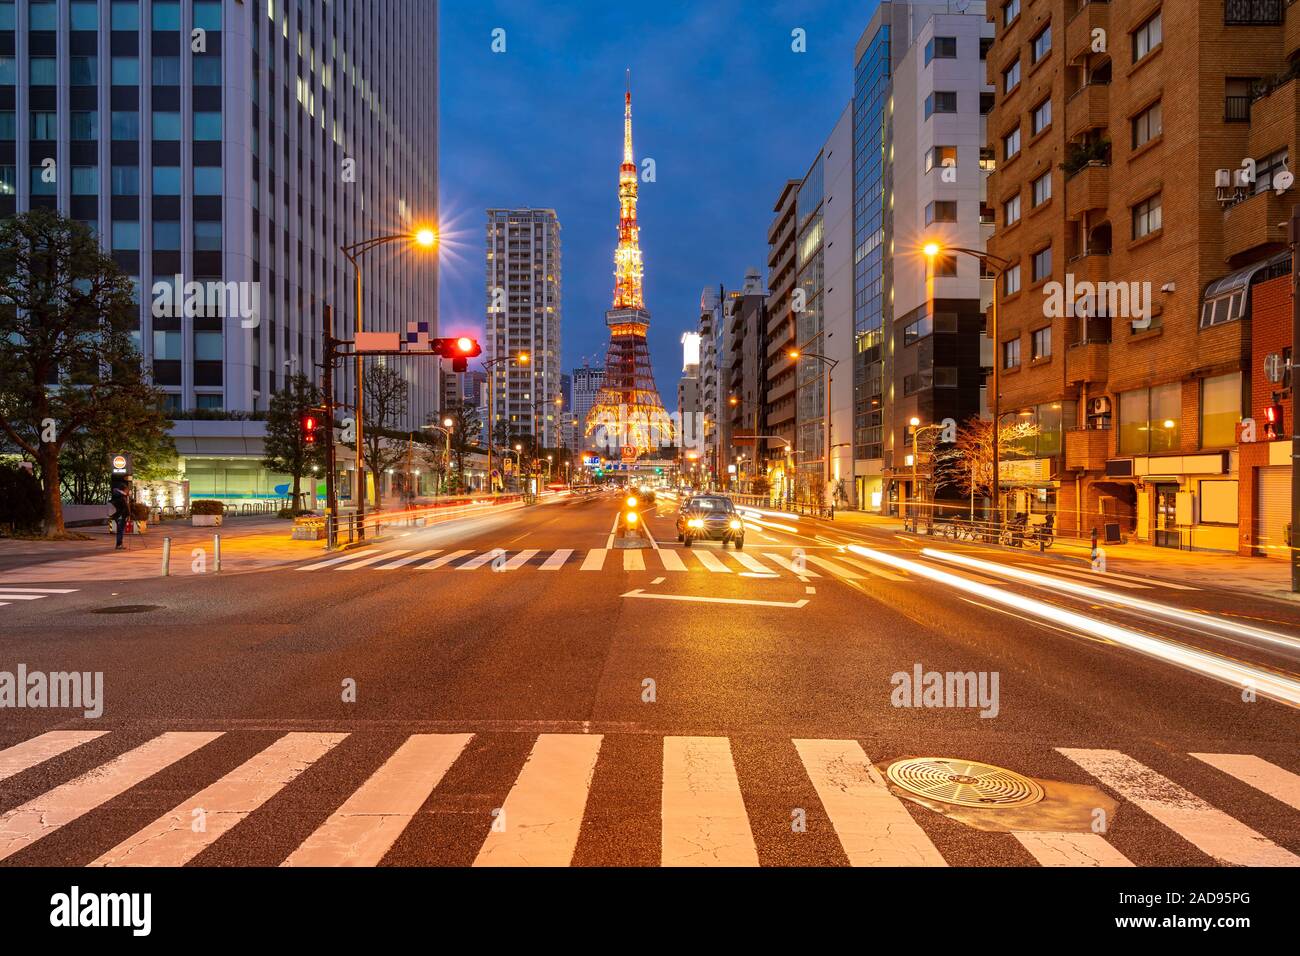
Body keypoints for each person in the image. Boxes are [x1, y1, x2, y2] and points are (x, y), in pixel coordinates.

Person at [110, 472, 131, 550]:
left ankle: (119, 544)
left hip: (117, 515)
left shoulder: (117, 496)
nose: (128, 491)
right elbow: (125, 507)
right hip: (121, 515)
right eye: (127, 490)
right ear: (124, 490)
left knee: (120, 530)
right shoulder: (122, 497)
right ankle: (119, 544)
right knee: (120, 530)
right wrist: (128, 514)